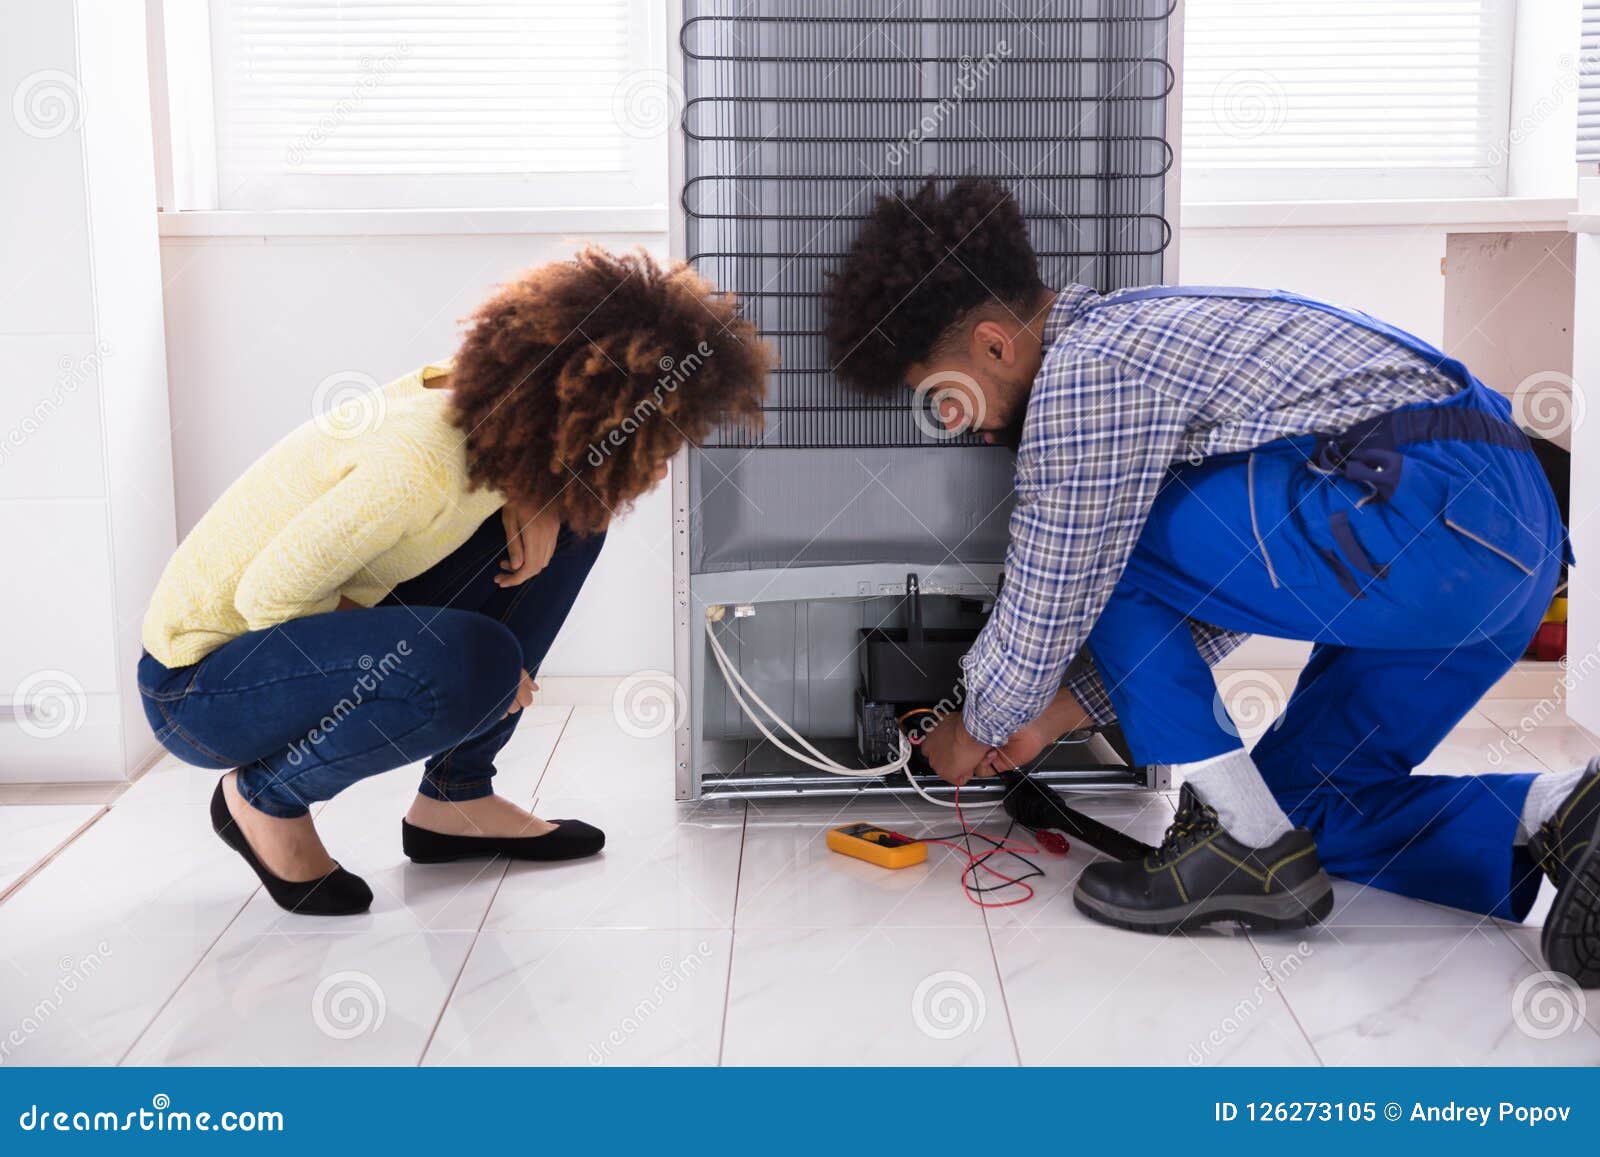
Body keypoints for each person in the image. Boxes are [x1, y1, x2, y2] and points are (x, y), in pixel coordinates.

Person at [824, 178, 1598, 986]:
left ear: (993, 345)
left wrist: (975, 723)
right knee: (1311, 809)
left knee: (1104, 546)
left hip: (1430, 508)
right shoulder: (1145, 345)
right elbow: (1222, 591)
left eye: (940, 397)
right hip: (1503, 554)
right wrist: (1054, 716)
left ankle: (1245, 843)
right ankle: (1563, 809)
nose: (961, 425)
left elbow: (1050, 601)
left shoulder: (1086, 373)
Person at [138, 249, 770, 916]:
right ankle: (265, 798)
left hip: (268, 646)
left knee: (578, 516)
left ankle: (456, 797)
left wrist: (537, 499)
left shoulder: (476, 404)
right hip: (200, 688)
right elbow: (267, 600)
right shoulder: (420, 465)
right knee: (474, 663)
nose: (660, 457)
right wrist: (448, 660)